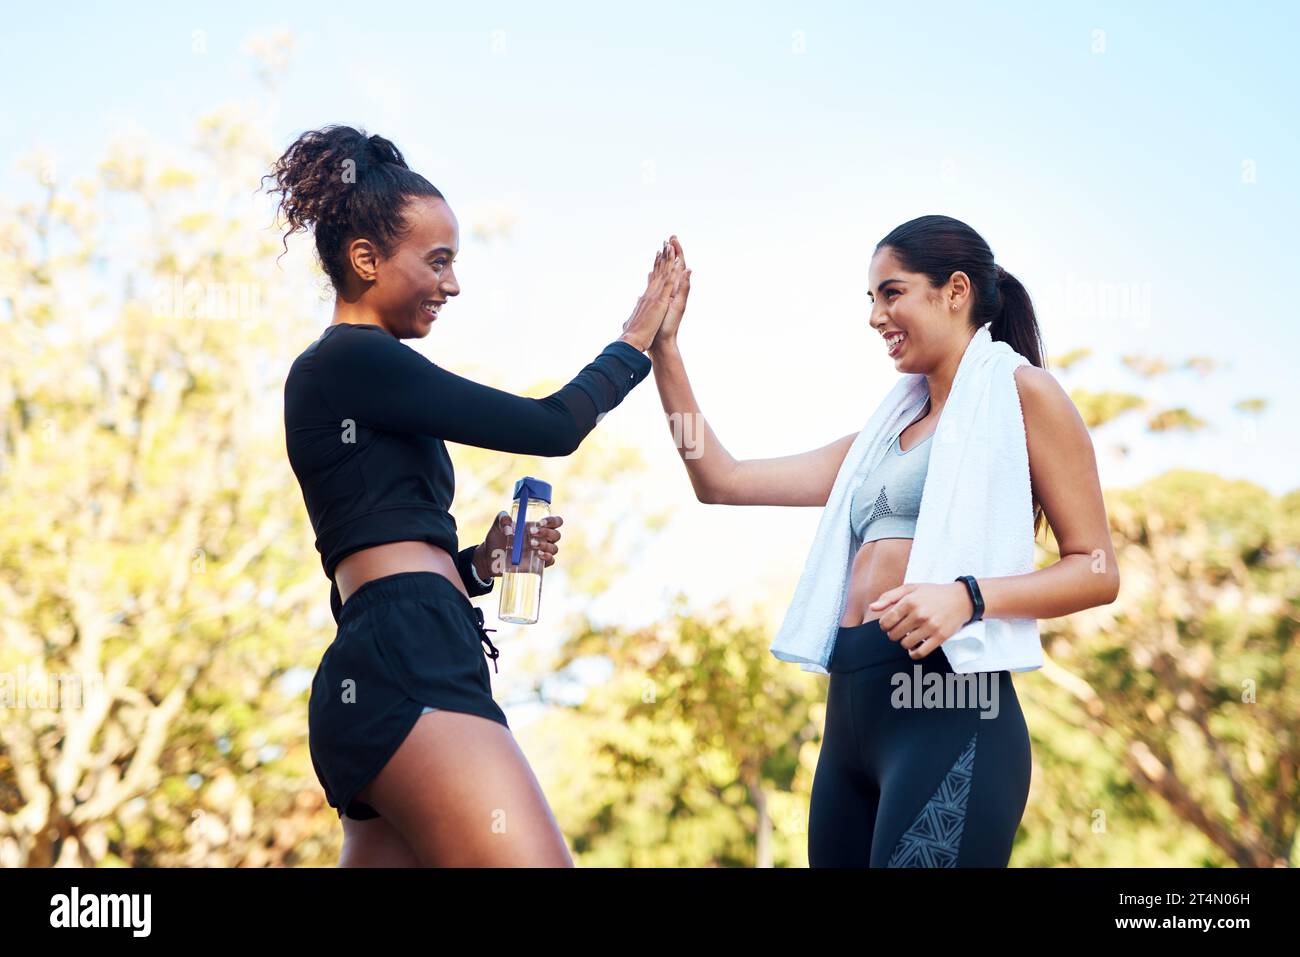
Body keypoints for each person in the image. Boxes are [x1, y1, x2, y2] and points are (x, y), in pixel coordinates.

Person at [264, 125, 684, 866]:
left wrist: (483, 563)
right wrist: (633, 343)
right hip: (407, 659)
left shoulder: (350, 374)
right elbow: (550, 425)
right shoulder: (353, 357)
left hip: (383, 658)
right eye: (438, 261)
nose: (452, 285)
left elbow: (379, 558)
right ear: (365, 259)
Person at [647, 218, 1120, 866]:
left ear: (955, 291)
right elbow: (719, 479)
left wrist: (969, 597)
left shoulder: (1022, 394)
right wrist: (664, 353)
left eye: (891, 292)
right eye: (870, 298)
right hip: (850, 718)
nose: (875, 315)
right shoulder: (874, 442)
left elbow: (1097, 569)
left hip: (951, 711)